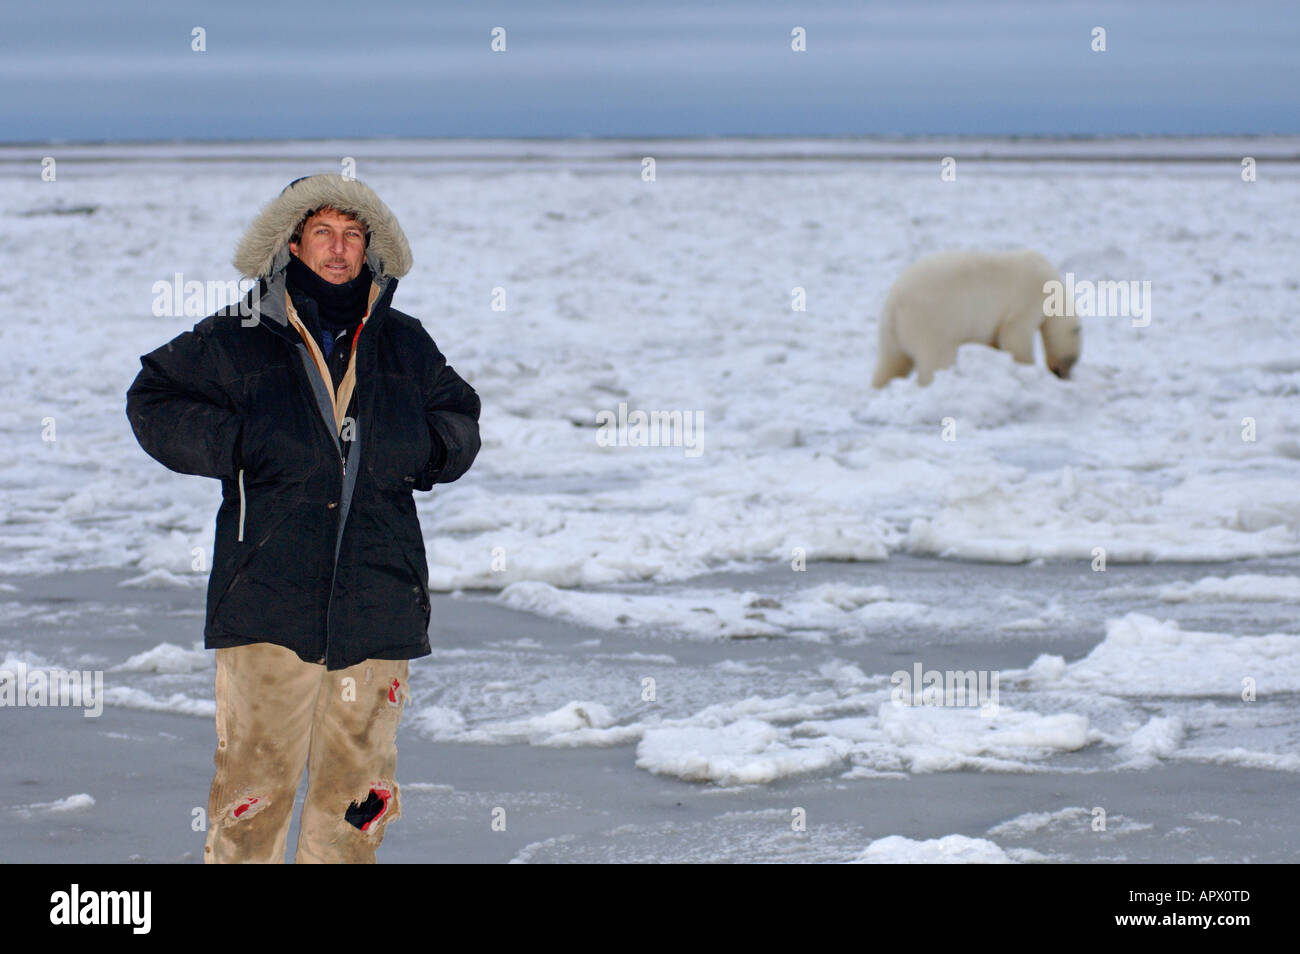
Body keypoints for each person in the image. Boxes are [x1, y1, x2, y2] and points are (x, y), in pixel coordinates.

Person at [125, 174, 481, 863]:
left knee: (358, 800)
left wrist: (424, 448)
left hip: (377, 604)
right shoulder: (239, 336)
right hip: (267, 602)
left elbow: (460, 417)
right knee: (252, 794)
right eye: (323, 233)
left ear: (370, 249)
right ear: (292, 243)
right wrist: (238, 445)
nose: (339, 249)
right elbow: (153, 398)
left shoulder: (405, 343)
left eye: (353, 235)